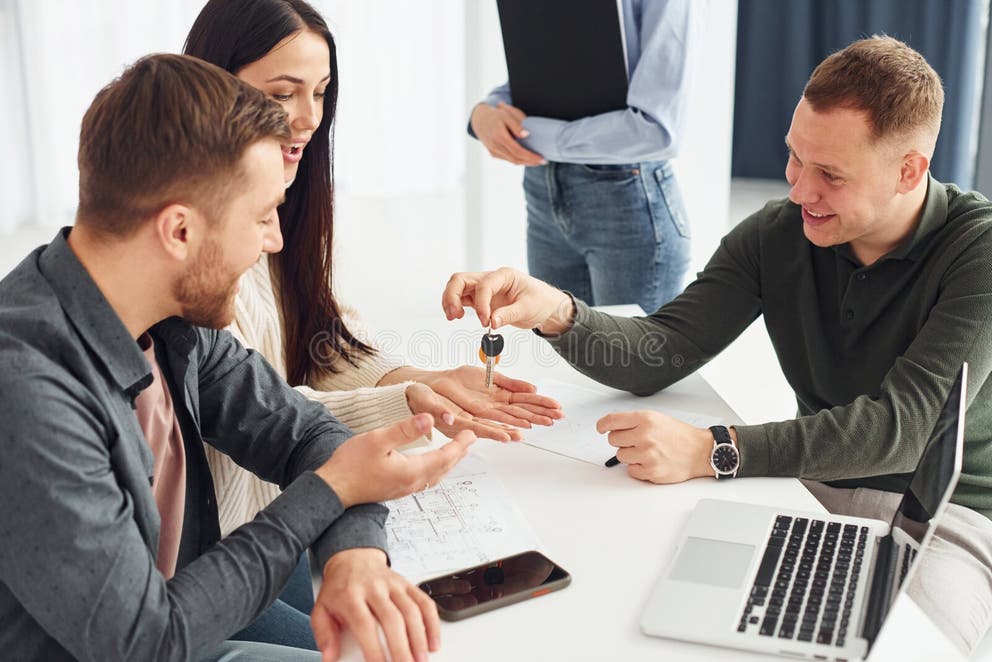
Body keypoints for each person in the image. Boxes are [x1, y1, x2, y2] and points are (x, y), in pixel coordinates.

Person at [444, 36, 992, 654]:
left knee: (908, 652)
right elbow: (665, 347)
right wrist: (556, 310)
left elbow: (903, 427)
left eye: (830, 175)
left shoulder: (979, 252)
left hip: (947, 520)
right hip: (812, 484)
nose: (798, 190)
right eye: (794, 158)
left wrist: (715, 451)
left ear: (909, 170)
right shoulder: (780, 233)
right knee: (665, 615)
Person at [0, 53, 475, 662]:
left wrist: (354, 556)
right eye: (260, 216)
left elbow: (307, 434)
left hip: (189, 615)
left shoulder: (163, 314)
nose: (275, 238)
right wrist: (330, 492)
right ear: (179, 231)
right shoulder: (29, 394)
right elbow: (148, 641)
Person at [183, 0, 562, 538]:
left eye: (320, 92)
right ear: (210, 87)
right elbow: (255, 408)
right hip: (241, 533)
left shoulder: (288, 198)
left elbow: (321, 337)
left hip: (288, 512)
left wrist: (420, 381)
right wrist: (403, 401)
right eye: (282, 94)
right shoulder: (191, 249)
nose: (311, 118)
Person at [468, 0, 702, 313]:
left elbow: (657, 129)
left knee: (627, 358)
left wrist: (529, 132)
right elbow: (550, 71)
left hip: (626, 203)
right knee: (555, 357)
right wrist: (486, 113)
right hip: (544, 190)